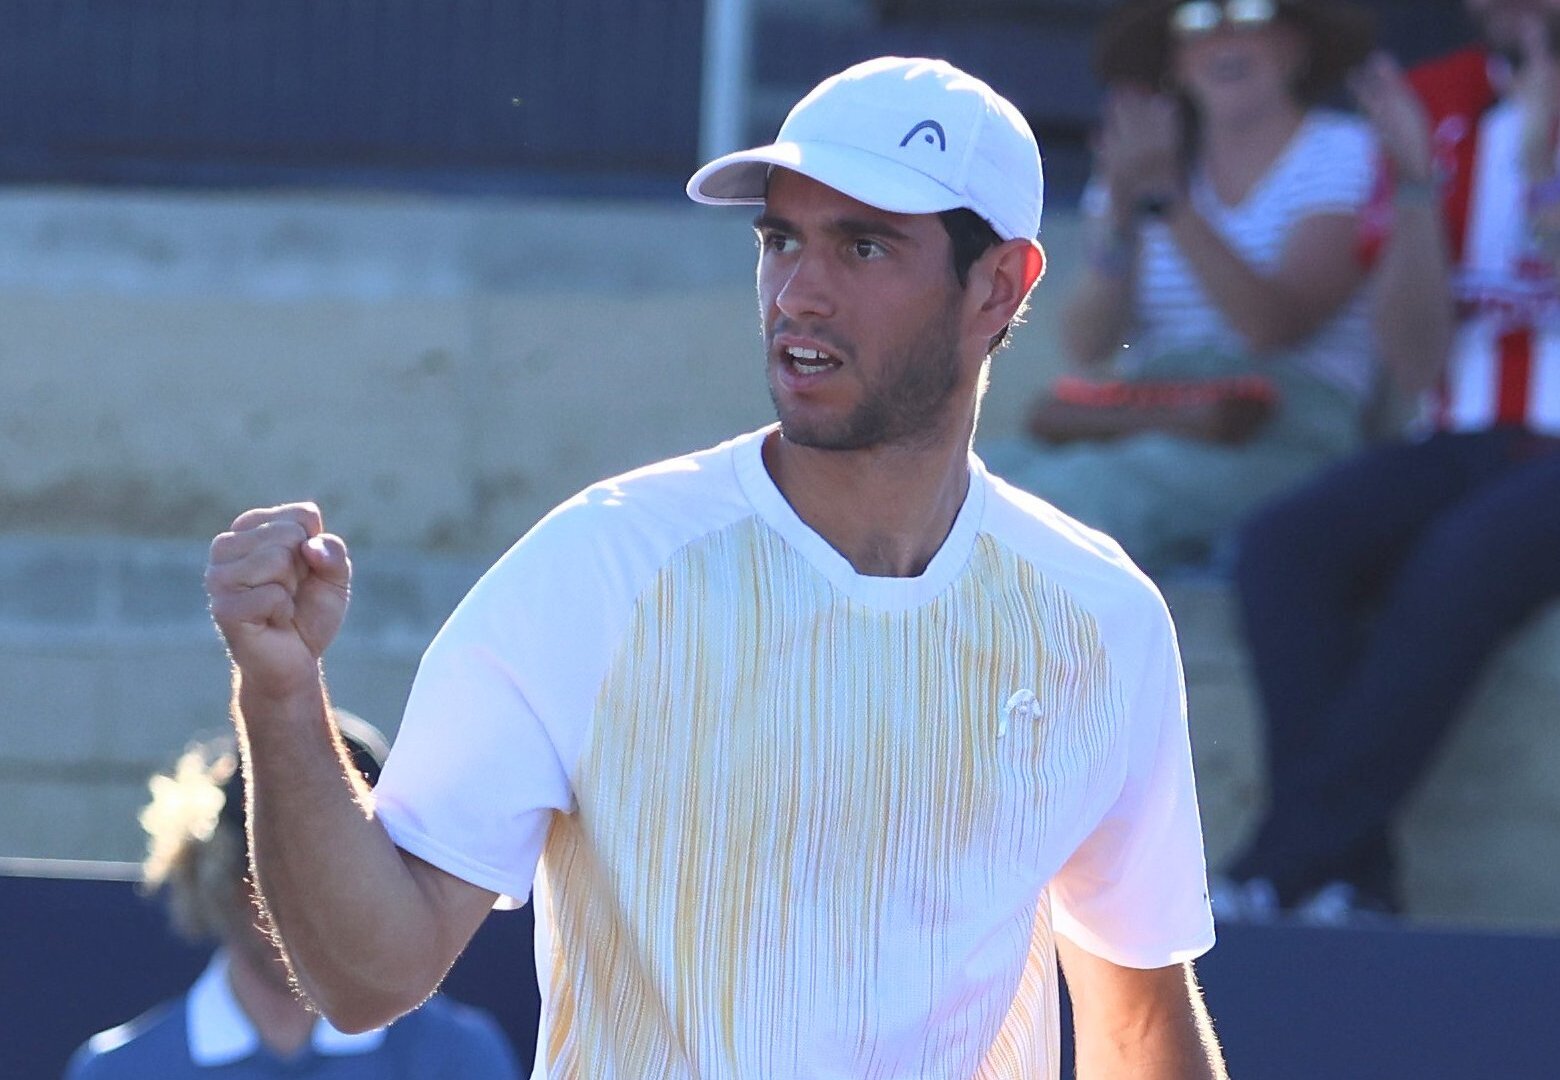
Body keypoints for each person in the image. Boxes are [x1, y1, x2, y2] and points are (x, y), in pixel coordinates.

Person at [204, 57, 1227, 1078]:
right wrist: (282, 698)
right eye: (781, 240)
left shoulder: (1101, 618)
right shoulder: (598, 567)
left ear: (999, 286)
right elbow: (366, 977)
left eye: (863, 246)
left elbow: (1137, 1025)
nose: (800, 292)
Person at [1215, 0, 1560, 923]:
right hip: (1466, 434)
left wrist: (1540, 171)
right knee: (1284, 549)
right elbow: (1414, 361)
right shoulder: (1434, 100)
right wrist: (1415, 191)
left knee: (1462, 557)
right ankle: (1349, 883)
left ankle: (1282, 866)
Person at [981, 0, 1379, 576]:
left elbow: (1272, 325)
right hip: (1150, 411)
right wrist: (1122, 216)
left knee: (1081, 497)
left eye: (1250, 15)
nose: (1223, 38)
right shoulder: (1148, 164)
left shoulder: (1345, 150)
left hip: (1289, 429)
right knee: (972, 480)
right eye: (1196, 24)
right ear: (1176, 62)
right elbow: (1088, 342)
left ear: (1296, 45)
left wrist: (1167, 200)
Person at [64, 711, 522, 1078]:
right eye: (270, 866)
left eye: (349, 875)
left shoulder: (460, 1058)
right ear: (216, 873)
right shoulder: (118, 1069)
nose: (311, 903)